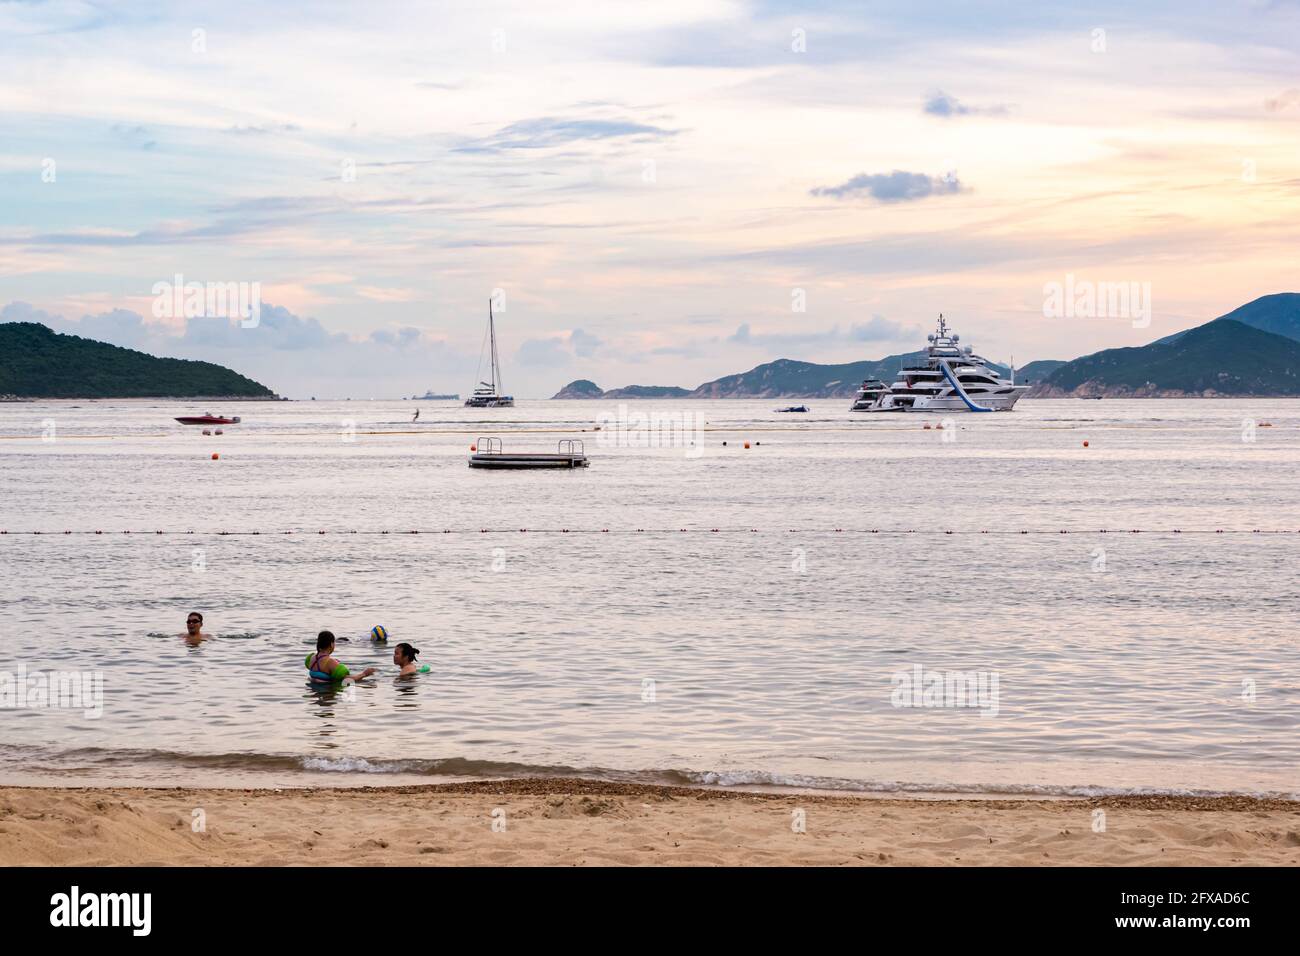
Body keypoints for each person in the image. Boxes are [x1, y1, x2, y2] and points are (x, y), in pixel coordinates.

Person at [306, 630, 376, 686]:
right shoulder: (330, 662)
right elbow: (347, 680)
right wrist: (364, 674)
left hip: (314, 691)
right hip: (327, 693)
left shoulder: (312, 658)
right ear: (331, 644)